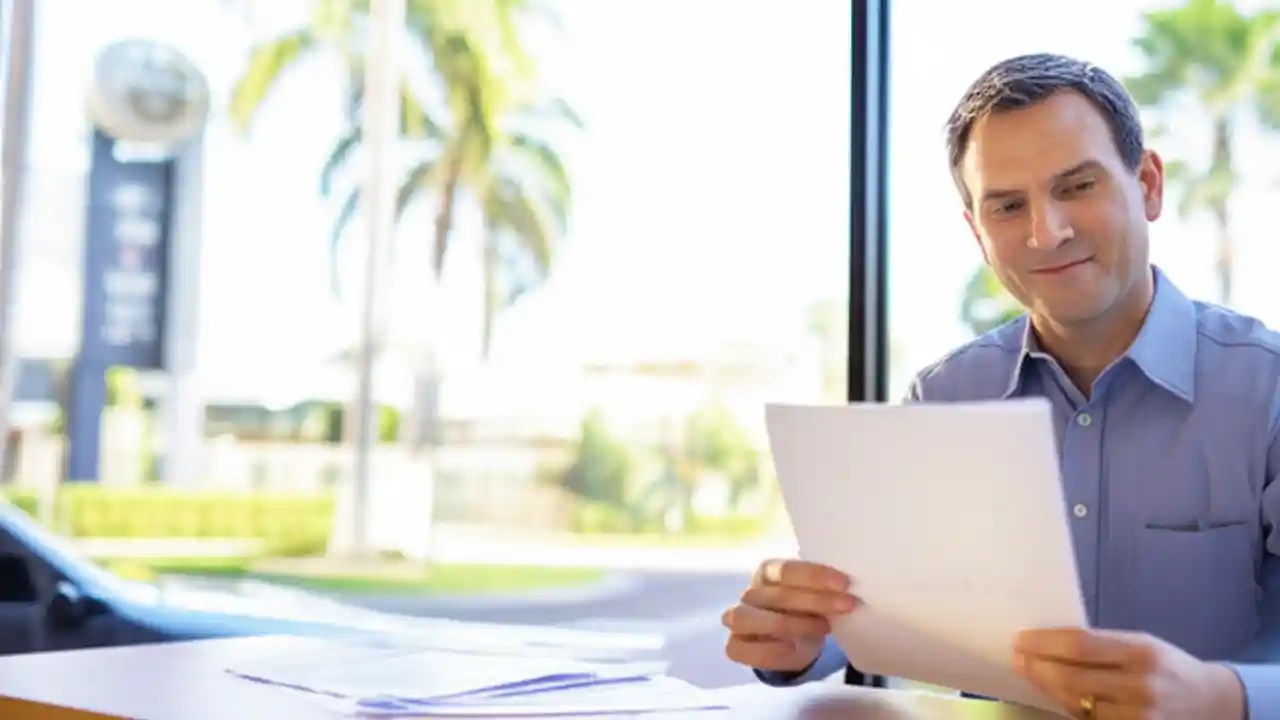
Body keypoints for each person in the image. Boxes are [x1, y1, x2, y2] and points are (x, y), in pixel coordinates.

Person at [722, 52, 1280, 719]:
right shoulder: (945, 397)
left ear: (1149, 184)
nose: (1048, 232)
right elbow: (873, 610)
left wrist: (1227, 697)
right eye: (1009, 206)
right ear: (978, 233)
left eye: (1077, 186)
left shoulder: (1267, 391)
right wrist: (797, 636)